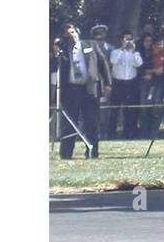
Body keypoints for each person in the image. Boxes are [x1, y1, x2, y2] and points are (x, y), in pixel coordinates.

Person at [53, 22, 112, 158]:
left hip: (90, 89)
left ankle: (92, 152)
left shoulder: (91, 45)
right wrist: (56, 49)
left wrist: (108, 83)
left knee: (91, 123)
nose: (71, 36)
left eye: (73, 32)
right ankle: (66, 154)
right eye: (67, 35)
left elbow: (103, 63)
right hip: (71, 91)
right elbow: (54, 64)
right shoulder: (63, 50)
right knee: (69, 124)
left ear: (78, 33)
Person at [107, 31, 143, 139]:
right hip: (118, 83)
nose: (128, 41)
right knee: (114, 110)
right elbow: (113, 61)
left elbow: (139, 64)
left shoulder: (135, 53)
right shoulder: (115, 51)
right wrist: (123, 49)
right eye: (126, 39)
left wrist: (133, 51)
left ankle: (129, 133)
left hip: (131, 84)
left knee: (130, 110)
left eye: (130, 39)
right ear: (121, 40)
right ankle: (111, 134)